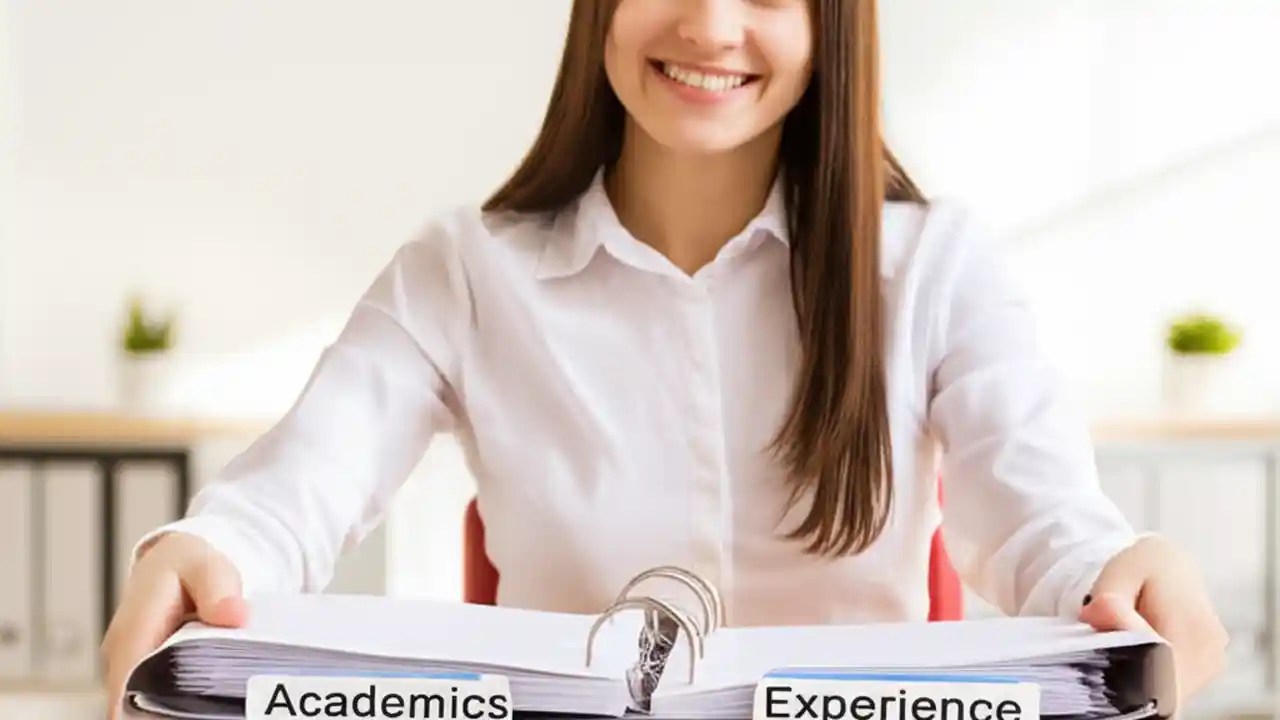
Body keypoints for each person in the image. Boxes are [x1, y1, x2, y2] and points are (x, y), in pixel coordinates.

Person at [101, 0, 1227, 715]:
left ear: (831, 23)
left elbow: (1044, 527)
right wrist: (206, 549)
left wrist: (1116, 577)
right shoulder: (464, 269)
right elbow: (298, 490)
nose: (709, 25)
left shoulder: (934, 265)